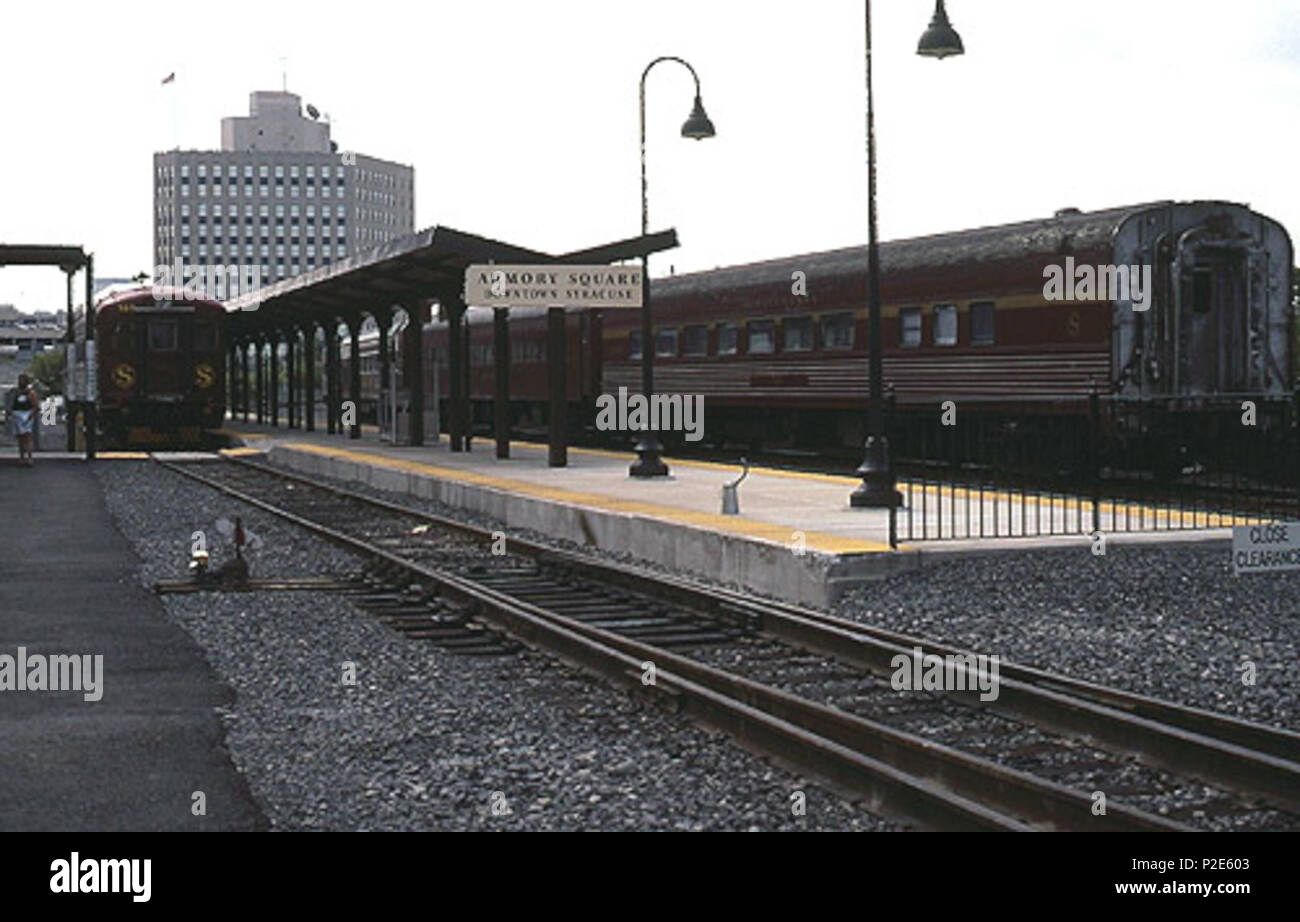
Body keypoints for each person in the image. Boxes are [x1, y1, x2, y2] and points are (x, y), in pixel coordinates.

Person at [10, 374, 39, 466]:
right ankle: (22, 457)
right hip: (17, 416)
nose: (20, 382)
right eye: (19, 380)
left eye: (22, 380)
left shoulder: (31, 393)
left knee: (28, 438)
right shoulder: (17, 392)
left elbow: (36, 406)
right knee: (20, 439)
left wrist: (30, 415)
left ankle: (29, 458)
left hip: (26, 415)